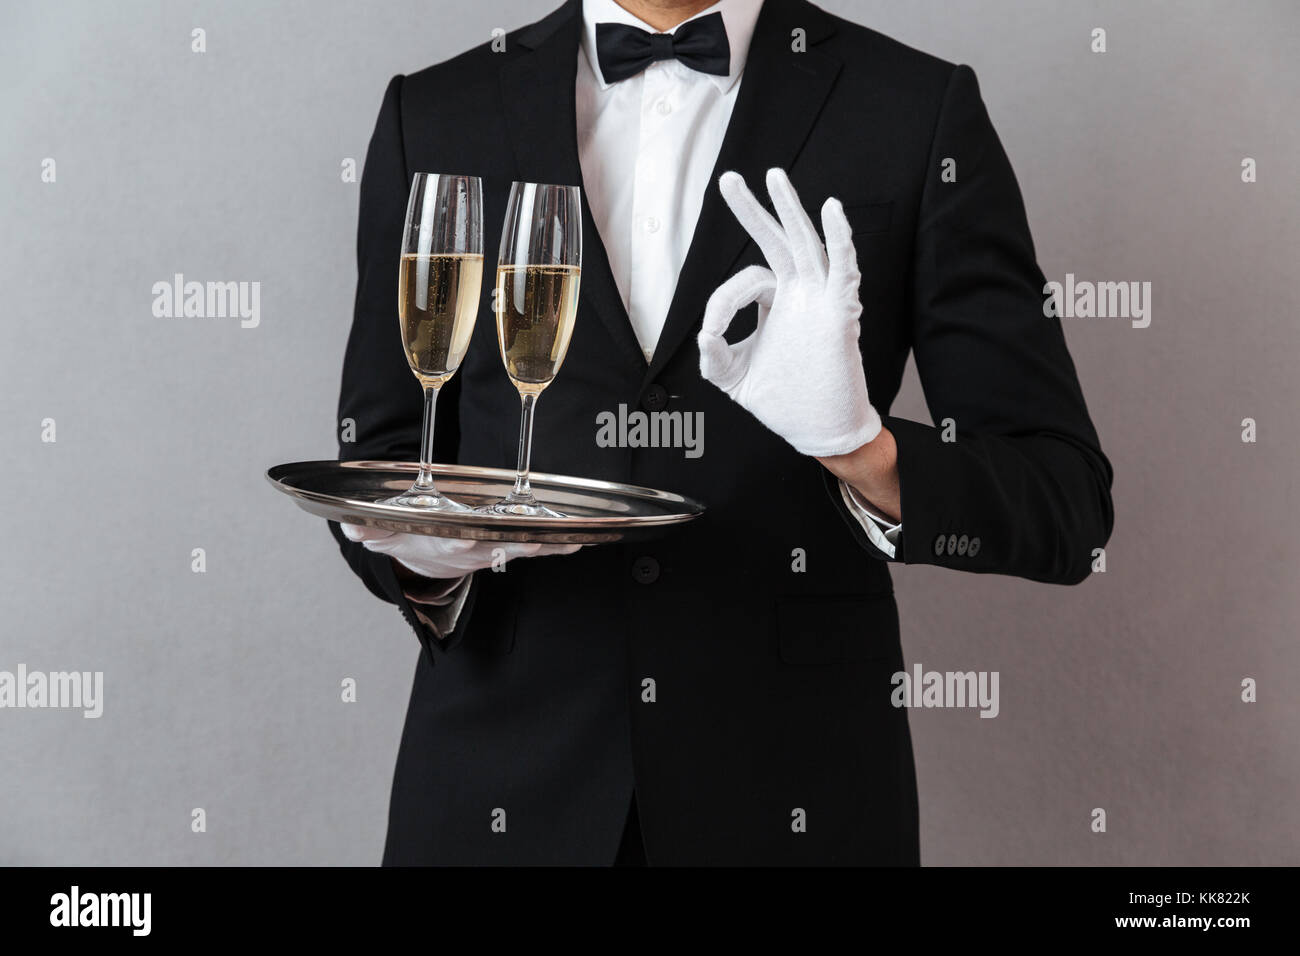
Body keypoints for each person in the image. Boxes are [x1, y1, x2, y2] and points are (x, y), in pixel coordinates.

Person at [330, 0, 1114, 865]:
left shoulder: (916, 107)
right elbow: (383, 453)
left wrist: (858, 446)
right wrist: (425, 558)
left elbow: (1064, 503)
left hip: (798, 797)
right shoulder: (434, 111)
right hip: (497, 800)